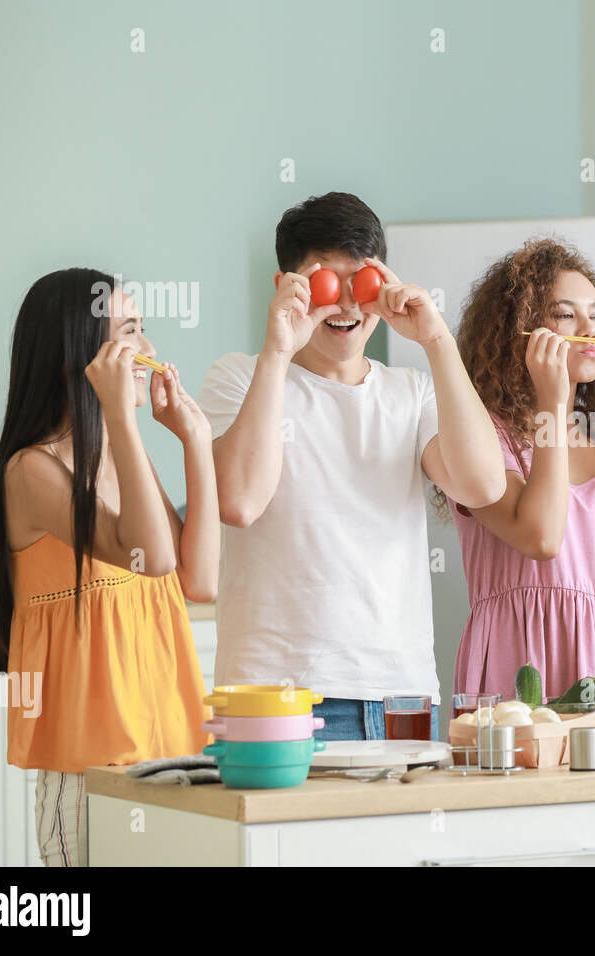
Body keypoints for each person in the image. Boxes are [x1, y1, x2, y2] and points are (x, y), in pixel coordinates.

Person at [200, 192, 505, 741]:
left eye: (359, 285)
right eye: (324, 285)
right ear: (285, 287)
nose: (343, 306)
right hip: (277, 700)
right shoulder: (241, 377)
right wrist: (277, 351)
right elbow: (239, 501)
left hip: (401, 699)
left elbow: (482, 485)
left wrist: (436, 340)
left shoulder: (411, 392)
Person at [0, 268, 218, 866]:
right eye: (130, 331)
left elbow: (199, 579)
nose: (149, 351)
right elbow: (153, 555)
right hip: (90, 774)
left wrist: (195, 443)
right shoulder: (31, 473)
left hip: (173, 757)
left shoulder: (121, 460)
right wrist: (121, 415)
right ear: (74, 358)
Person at [443, 239, 595, 726]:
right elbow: (541, 537)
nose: (591, 330)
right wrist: (552, 404)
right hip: (520, 654)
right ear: (520, 332)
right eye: (565, 315)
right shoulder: (484, 435)